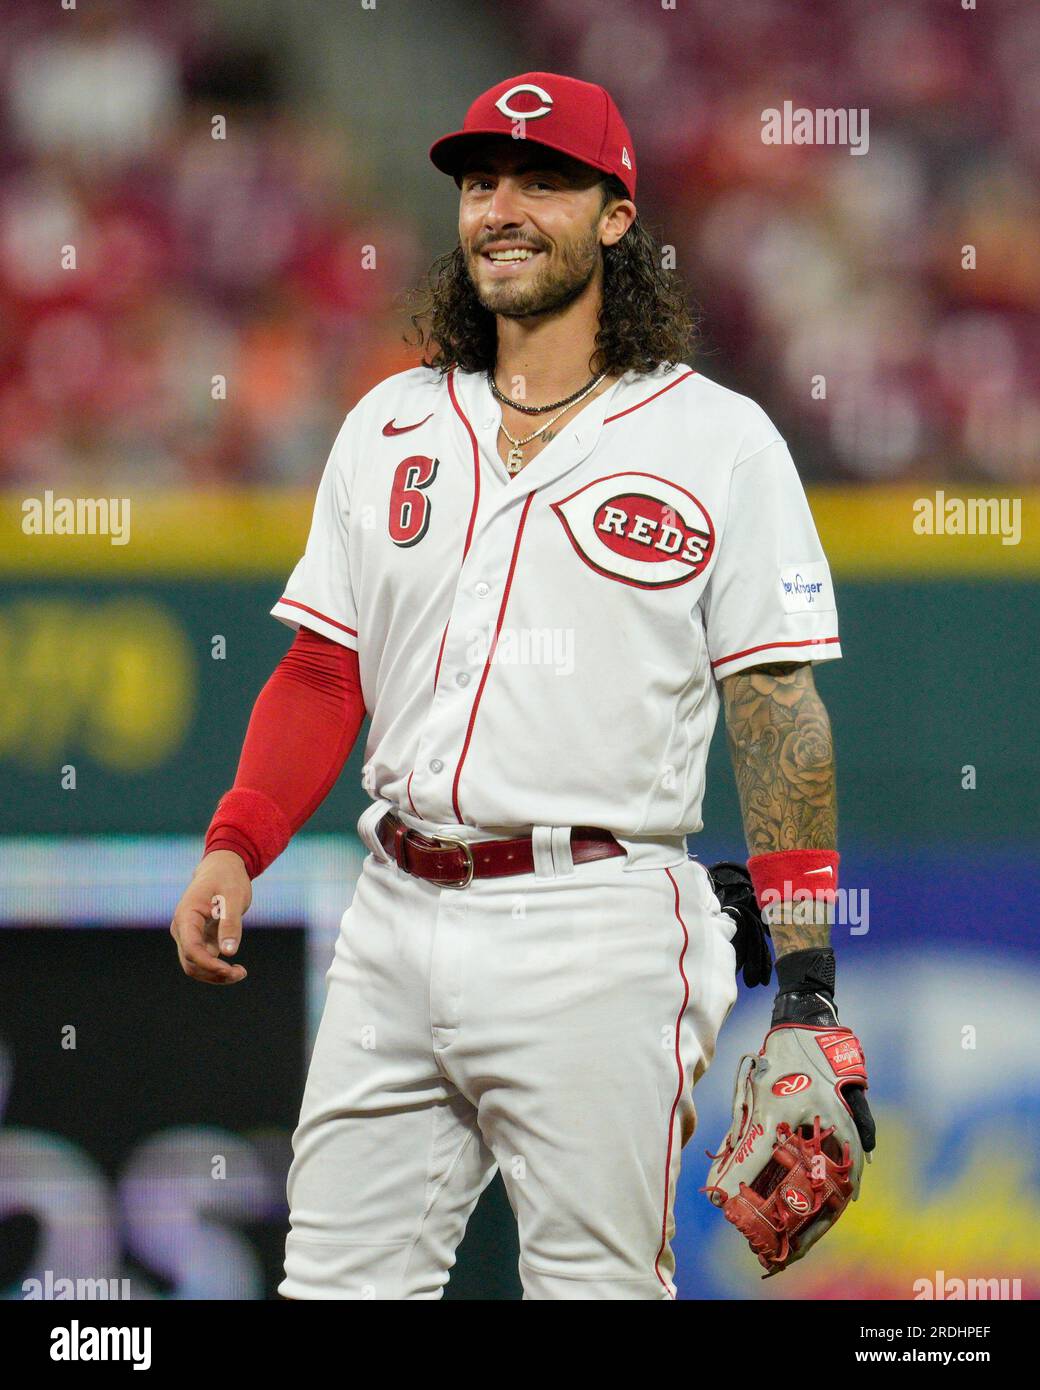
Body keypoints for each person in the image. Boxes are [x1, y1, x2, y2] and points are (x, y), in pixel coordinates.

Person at [170, 72, 873, 1300]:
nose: (503, 205)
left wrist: (806, 983)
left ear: (613, 216)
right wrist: (238, 841)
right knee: (330, 1287)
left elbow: (775, 709)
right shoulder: (389, 421)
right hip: (391, 913)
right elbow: (324, 668)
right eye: (481, 179)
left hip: (595, 921)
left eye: (543, 180)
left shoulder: (715, 440)